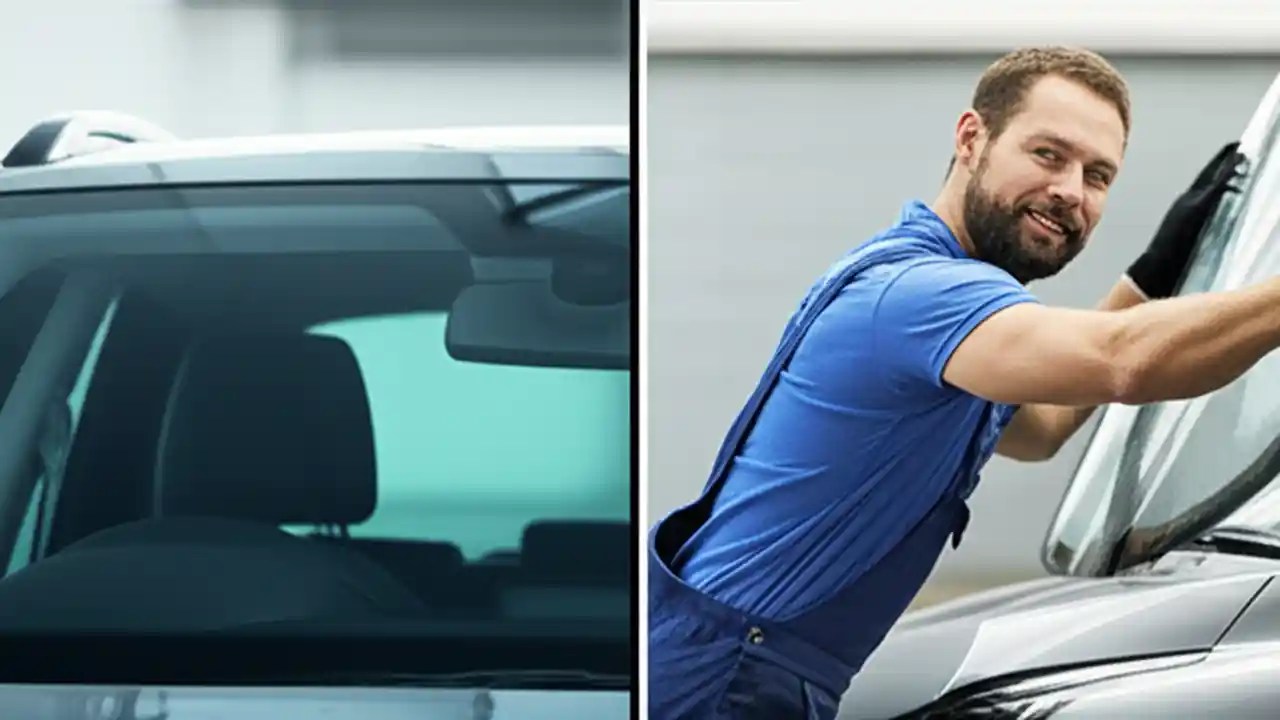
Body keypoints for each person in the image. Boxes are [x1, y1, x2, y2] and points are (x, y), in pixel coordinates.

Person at [647, 46, 1258, 720]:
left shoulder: (931, 304)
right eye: (1048, 155)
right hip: (726, 680)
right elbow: (1124, 363)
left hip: (742, 669)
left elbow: (1042, 427)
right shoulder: (920, 294)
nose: (1071, 191)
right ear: (972, 139)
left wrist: (1151, 274)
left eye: (1098, 175)